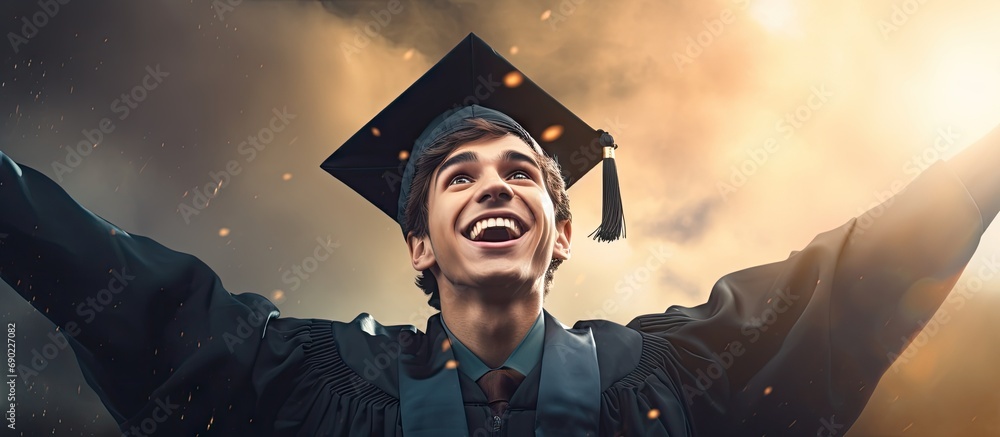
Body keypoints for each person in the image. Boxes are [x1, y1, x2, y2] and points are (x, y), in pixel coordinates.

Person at [1, 32, 998, 436]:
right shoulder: (301, 379)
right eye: (458, 173)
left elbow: (847, 281)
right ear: (419, 245)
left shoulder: (671, 377)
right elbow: (123, 287)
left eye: (524, 170)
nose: (497, 185)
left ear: (559, 236)